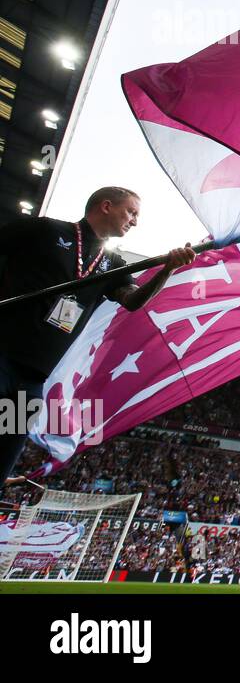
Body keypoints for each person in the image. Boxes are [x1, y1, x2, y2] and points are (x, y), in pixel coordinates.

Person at [0, 187, 196, 488]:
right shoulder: (46, 230)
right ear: (106, 206)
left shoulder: (113, 264)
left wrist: (166, 270)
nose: (134, 221)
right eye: (131, 212)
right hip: (3, 355)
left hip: (32, 380)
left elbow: (132, 300)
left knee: (5, 450)